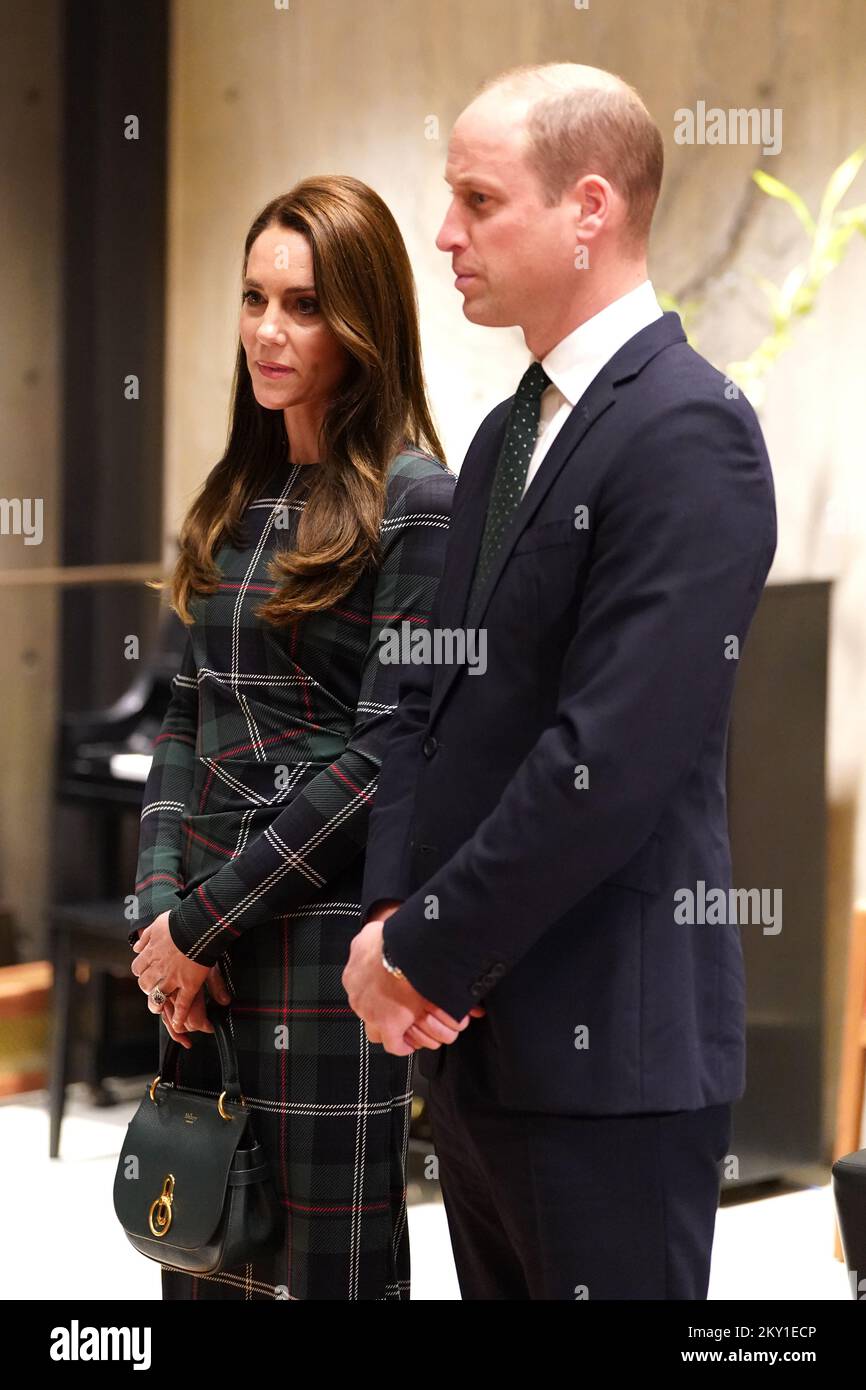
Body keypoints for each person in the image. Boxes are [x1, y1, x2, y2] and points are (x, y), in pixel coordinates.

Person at [344, 63, 778, 1299]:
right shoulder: (503, 433)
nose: (444, 233)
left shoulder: (689, 429)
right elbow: (425, 705)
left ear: (588, 208)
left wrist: (425, 948)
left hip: (609, 1062)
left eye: (477, 200)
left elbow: (606, 764)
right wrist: (387, 928)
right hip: (475, 1050)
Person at [129, 175, 473, 1300]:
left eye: (306, 304)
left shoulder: (418, 499)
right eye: (253, 298)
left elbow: (382, 758)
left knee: (326, 1275)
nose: (269, 331)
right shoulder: (238, 494)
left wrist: (201, 918)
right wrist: (158, 912)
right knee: (202, 1253)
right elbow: (189, 708)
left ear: (364, 321)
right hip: (202, 953)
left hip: (317, 947)